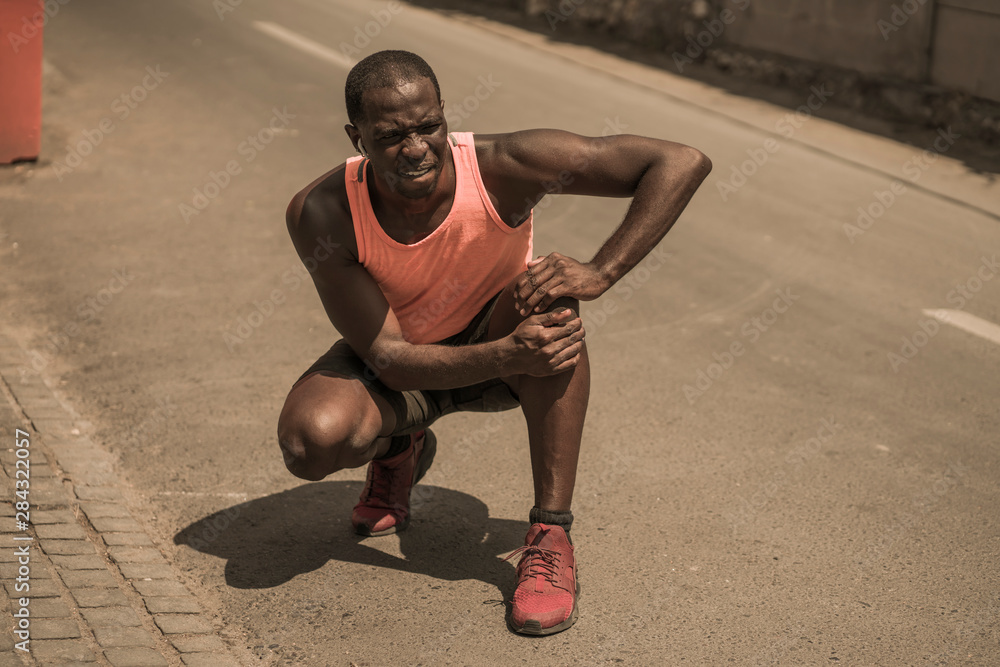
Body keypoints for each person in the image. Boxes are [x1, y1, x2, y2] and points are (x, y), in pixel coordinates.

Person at [277, 49, 711, 635]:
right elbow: (390, 360)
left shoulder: (504, 166)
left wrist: (603, 270)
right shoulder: (323, 211)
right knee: (310, 444)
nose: (416, 148)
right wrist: (507, 355)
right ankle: (397, 449)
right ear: (358, 139)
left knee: (551, 301)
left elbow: (680, 161)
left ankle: (550, 536)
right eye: (391, 136)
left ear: (444, 115)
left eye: (428, 126)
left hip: (504, 338)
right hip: (404, 364)